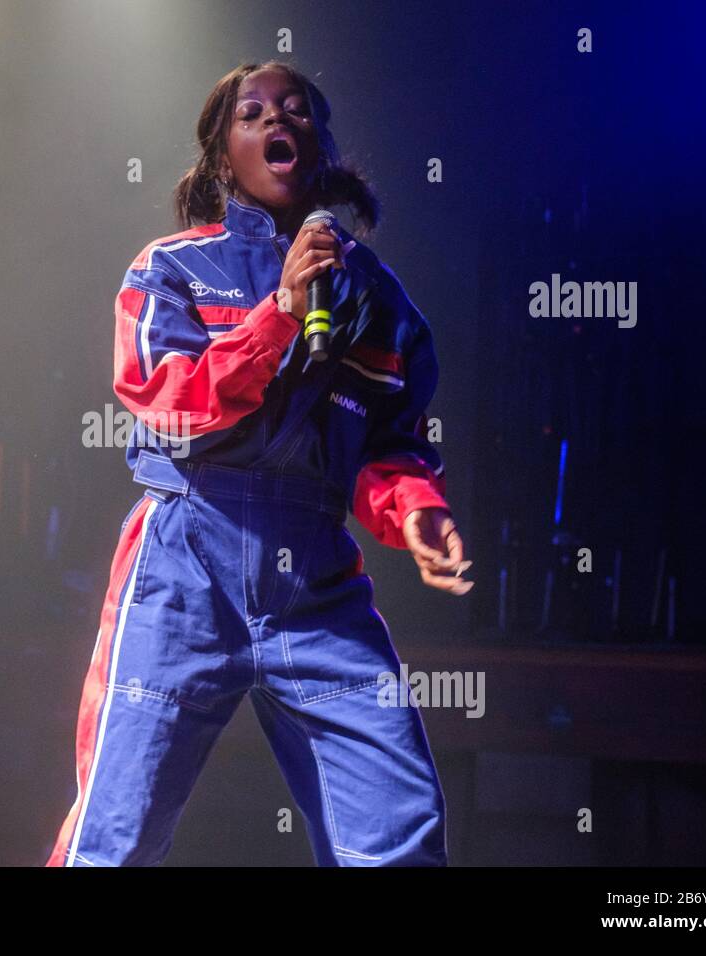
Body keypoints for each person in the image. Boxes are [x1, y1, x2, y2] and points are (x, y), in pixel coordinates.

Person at [46, 60, 472, 867]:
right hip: (187, 561)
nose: (277, 119)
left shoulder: (378, 298)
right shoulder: (171, 267)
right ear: (222, 155)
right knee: (116, 834)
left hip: (314, 572)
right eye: (252, 112)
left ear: (322, 145)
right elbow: (171, 402)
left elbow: (389, 440)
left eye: (296, 109)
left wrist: (415, 504)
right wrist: (280, 315)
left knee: (399, 832)